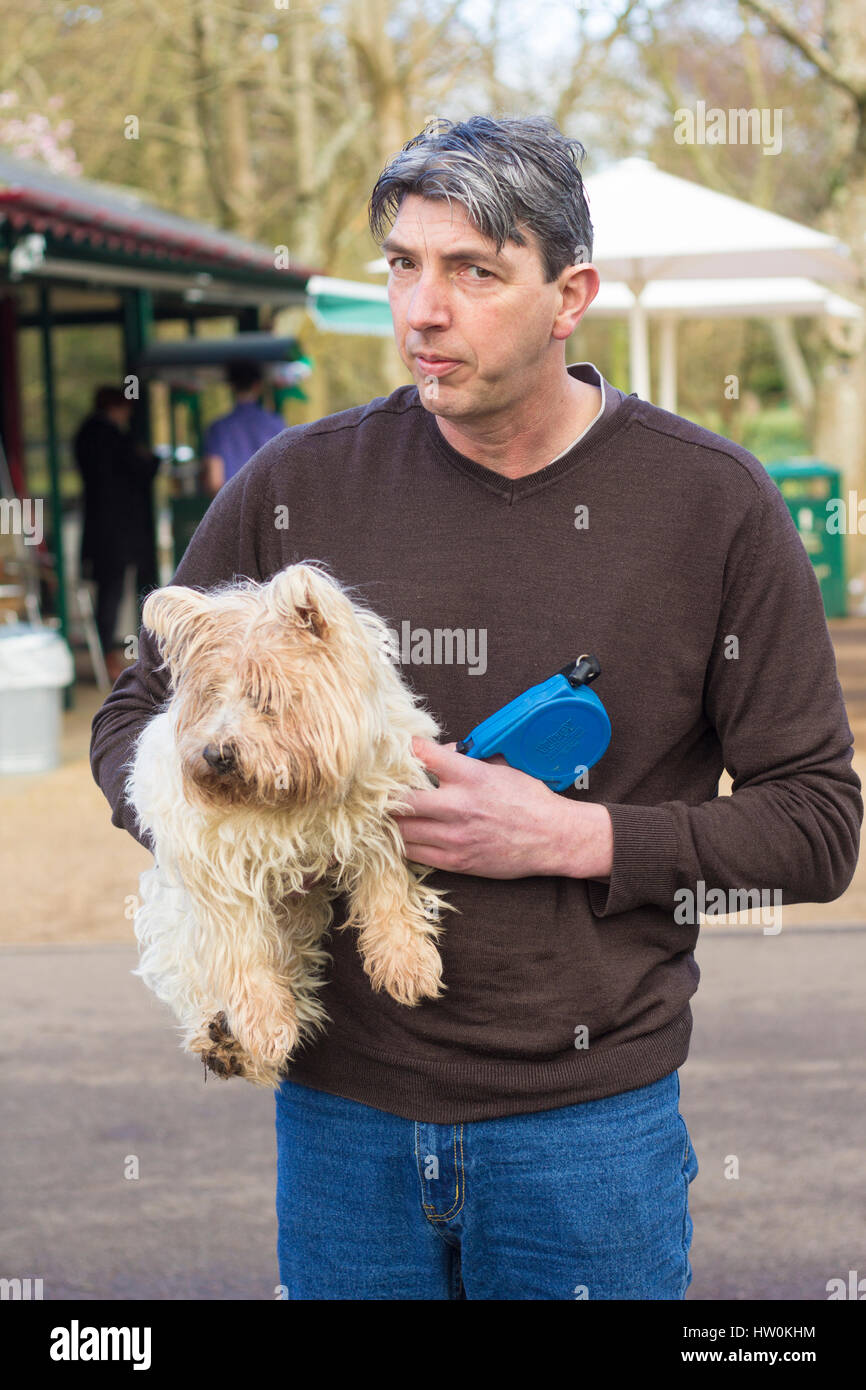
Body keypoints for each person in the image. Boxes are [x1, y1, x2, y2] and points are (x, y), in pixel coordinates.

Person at [89, 115, 861, 1300]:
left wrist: (574, 836)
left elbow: (815, 830)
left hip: (589, 1129)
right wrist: (236, 821)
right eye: (402, 264)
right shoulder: (294, 487)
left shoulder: (712, 504)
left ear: (570, 296)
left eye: (472, 272)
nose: (419, 311)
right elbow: (129, 719)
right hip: (343, 1123)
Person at [74, 385, 160, 684]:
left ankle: (106, 655)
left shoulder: (86, 435)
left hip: (100, 530)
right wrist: (151, 459)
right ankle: (116, 657)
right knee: (117, 593)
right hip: (120, 531)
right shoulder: (114, 437)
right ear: (117, 407)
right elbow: (142, 468)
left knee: (108, 593)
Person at [200, 359, 286, 496]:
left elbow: (214, 481)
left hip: (231, 507)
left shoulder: (218, 428)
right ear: (258, 386)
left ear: (231, 387)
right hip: (268, 507)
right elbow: (284, 475)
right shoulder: (275, 423)